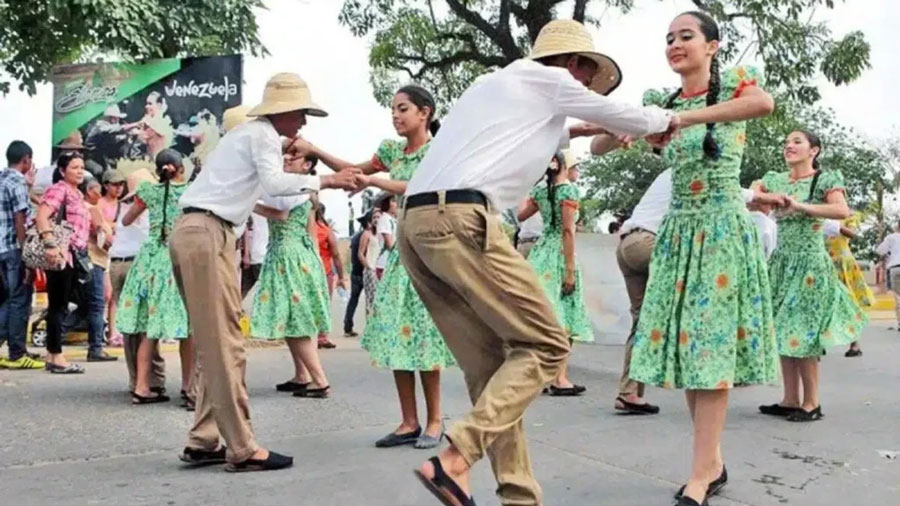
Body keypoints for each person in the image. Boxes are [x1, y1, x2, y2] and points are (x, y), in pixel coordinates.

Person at [397, 18, 677, 505]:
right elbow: (624, 113)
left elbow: (557, 128)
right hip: (461, 217)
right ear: (573, 65)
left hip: (415, 226)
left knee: (492, 367)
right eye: (587, 77)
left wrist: (595, 125)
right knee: (547, 342)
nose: (585, 86)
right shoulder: (550, 79)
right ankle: (455, 456)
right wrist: (663, 121)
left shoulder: (496, 87)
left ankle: (519, 497)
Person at [618, 11, 777, 506]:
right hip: (677, 237)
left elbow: (763, 104)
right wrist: (629, 127)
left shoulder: (733, 84)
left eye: (686, 36)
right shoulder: (661, 102)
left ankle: (702, 473)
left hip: (721, 233)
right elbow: (605, 140)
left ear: (712, 45)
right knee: (690, 353)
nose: (675, 44)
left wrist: (683, 119)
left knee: (708, 350)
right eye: (668, 39)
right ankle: (712, 463)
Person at [168, 74, 357, 473]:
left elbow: (274, 191)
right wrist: (326, 179)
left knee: (211, 341)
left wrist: (321, 164)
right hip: (208, 233)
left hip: (193, 231)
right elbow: (276, 183)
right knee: (226, 345)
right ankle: (242, 447)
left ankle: (204, 438)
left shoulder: (244, 140)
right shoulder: (264, 137)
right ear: (284, 112)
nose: (304, 122)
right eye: (301, 113)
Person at [294, 84, 456, 451]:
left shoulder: (438, 152)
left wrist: (374, 181)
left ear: (424, 112)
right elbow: (353, 171)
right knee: (399, 338)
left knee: (425, 340)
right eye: (393, 110)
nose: (396, 116)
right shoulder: (391, 151)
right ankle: (408, 421)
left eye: (403, 109)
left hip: (430, 253)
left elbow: (416, 186)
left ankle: (434, 420)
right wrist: (315, 150)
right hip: (401, 256)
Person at [606, 166, 778, 417]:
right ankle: (703, 370)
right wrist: (764, 197)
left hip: (627, 244)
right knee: (696, 301)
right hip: (650, 241)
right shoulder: (690, 170)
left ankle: (629, 393)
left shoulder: (668, 171)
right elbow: (729, 192)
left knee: (642, 319)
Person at [758, 130, 868, 424]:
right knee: (782, 331)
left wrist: (800, 206)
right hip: (780, 263)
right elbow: (752, 197)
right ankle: (790, 398)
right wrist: (759, 198)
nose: (789, 146)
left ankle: (812, 402)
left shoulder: (825, 179)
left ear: (814, 150)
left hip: (810, 265)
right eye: (786, 141)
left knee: (803, 334)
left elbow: (840, 210)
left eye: (797, 142)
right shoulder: (776, 179)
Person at [117, 149, 194, 405]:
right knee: (186, 327)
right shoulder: (188, 193)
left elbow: (127, 220)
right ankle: (188, 387)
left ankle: (141, 387)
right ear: (179, 167)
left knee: (149, 328)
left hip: (149, 260)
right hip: (176, 257)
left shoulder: (148, 191)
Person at [250, 153, 331, 398]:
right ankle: (302, 375)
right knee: (293, 318)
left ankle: (319, 380)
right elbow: (310, 231)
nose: (287, 160)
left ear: (307, 165)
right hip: (297, 254)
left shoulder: (298, 188)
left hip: (288, 254)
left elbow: (281, 213)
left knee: (296, 320)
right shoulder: (305, 190)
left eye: (293, 158)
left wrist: (250, 202)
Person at [517, 152, 593, 396]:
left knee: (544, 314)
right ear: (563, 166)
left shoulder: (541, 191)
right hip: (560, 253)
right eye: (574, 166)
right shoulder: (568, 192)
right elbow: (568, 231)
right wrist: (570, 269)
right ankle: (560, 377)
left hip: (540, 253)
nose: (576, 171)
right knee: (564, 314)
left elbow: (519, 215)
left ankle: (540, 374)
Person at [35, 152, 94, 374]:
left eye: (81, 167)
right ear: (62, 171)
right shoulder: (59, 189)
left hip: (74, 256)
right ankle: (57, 356)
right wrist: (50, 244)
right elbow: (42, 216)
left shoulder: (77, 193)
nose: (80, 171)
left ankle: (52, 352)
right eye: (74, 167)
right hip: (61, 254)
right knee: (61, 304)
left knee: (63, 304)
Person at [109, 169, 165, 394]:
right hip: (139, 266)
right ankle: (153, 379)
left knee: (131, 327)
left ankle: (136, 380)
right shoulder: (149, 209)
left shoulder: (123, 208)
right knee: (148, 324)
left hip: (117, 265)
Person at [0, 141, 44, 370]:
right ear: (26, 159)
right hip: (12, 248)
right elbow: (20, 219)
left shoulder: (2, 178)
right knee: (19, 299)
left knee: (6, 300)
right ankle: (17, 354)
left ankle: (14, 349)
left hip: (0, 249)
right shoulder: (17, 182)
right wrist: (26, 252)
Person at [824, 214, 874, 357]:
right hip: (823, 262)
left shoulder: (849, 216)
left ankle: (854, 344)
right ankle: (817, 345)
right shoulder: (817, 214)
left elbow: (852, 234)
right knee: (822, 303)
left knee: (849, 304)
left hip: (843, 264)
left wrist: (833, 224)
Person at [81, 177, 118, 361]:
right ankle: (95, 348)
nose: (100, 194)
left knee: (85, 304)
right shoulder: (92, 209)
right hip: (95, 259)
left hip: (84, 259)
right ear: (89, 191)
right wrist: (111, 239)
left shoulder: (79, 207)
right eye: (97, 190)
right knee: (97, 304)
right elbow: (101, 237)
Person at [98, 170, 127, 347]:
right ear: (106, 185)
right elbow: (99, 224)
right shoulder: (100, 204)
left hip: (119, 251)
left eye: (121, 185)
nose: (119, 188)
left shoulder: (123, 205)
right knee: (106, 294)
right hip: (103, 253)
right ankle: (105, 329)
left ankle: (114, 332)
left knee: (116, 294)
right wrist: (115, 226)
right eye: (115, 184)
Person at [313, 201, 346, 349]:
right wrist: (341, 276)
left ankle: (308, 335)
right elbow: (336, 255)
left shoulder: (302, 229)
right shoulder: (325, 230)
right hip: (324, 272)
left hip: (306, 271)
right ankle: (322, 337)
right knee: (324, 304)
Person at [343, 210, 372, 337]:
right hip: (365, 272)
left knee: (353, 300)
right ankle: (370, 327)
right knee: (370, 300)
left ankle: (348, 325)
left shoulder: (356, 236)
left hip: (355, 271)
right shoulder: (368, 236)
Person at [876, 222, 900, 330]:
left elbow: (880, 251)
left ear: (897, 226)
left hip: (895, 268)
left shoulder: (891, 237)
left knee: (898, 296)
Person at [241, 212, 268, 299]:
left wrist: (246, 255)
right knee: (265, 290)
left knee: (243, 289)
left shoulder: (250, 206)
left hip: (258, 255)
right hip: (260, 255)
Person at [374, 193, 397, 279]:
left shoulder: (392, 220)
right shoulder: (385, 220)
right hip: (385, 264)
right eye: (393, 201)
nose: (396, 204)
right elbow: (389, 244)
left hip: (391, 263)